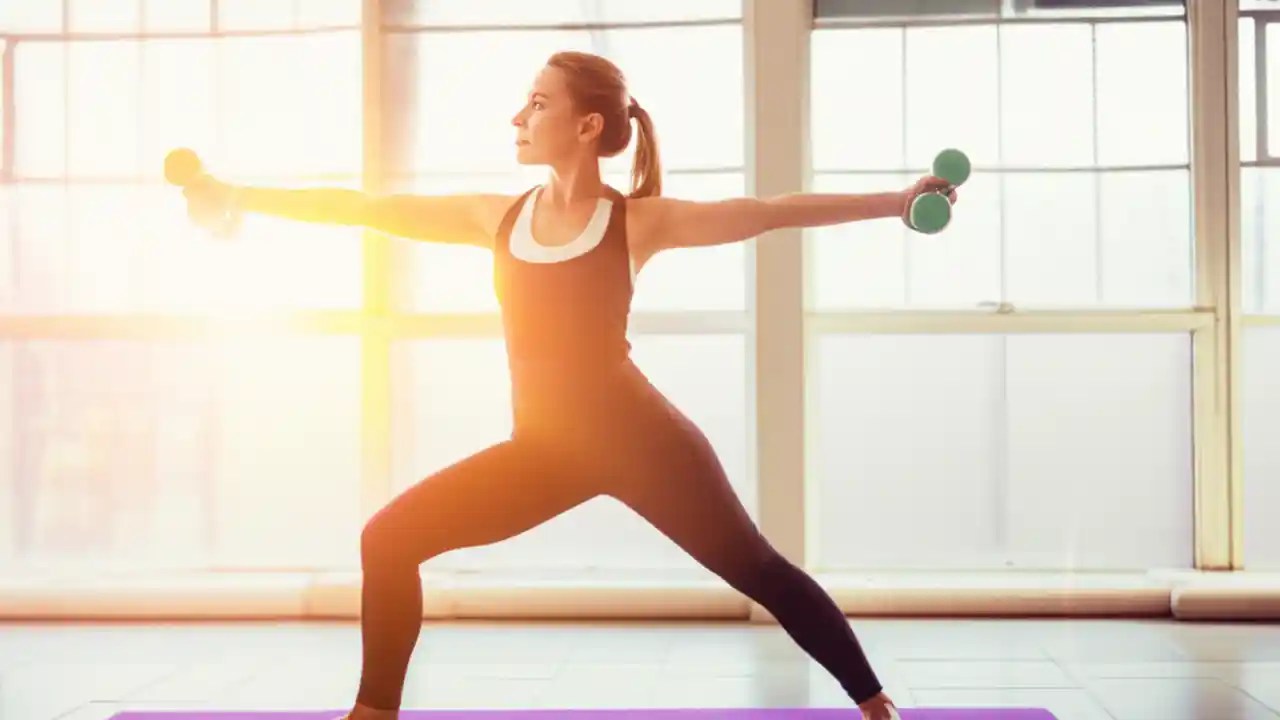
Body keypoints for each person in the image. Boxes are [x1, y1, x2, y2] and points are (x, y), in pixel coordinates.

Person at [180, 50, 956, 720]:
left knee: (756, 568)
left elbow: (768, 213)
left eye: (539, 102)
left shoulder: (639, 222)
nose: (519, 116)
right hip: (544, 453)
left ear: (588, 126)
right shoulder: (494, 216)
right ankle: (372, 710)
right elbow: (363, 209)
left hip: (645, 443)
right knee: (388, 540)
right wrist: (239, 195)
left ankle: (878, 706)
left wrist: (896, 203)